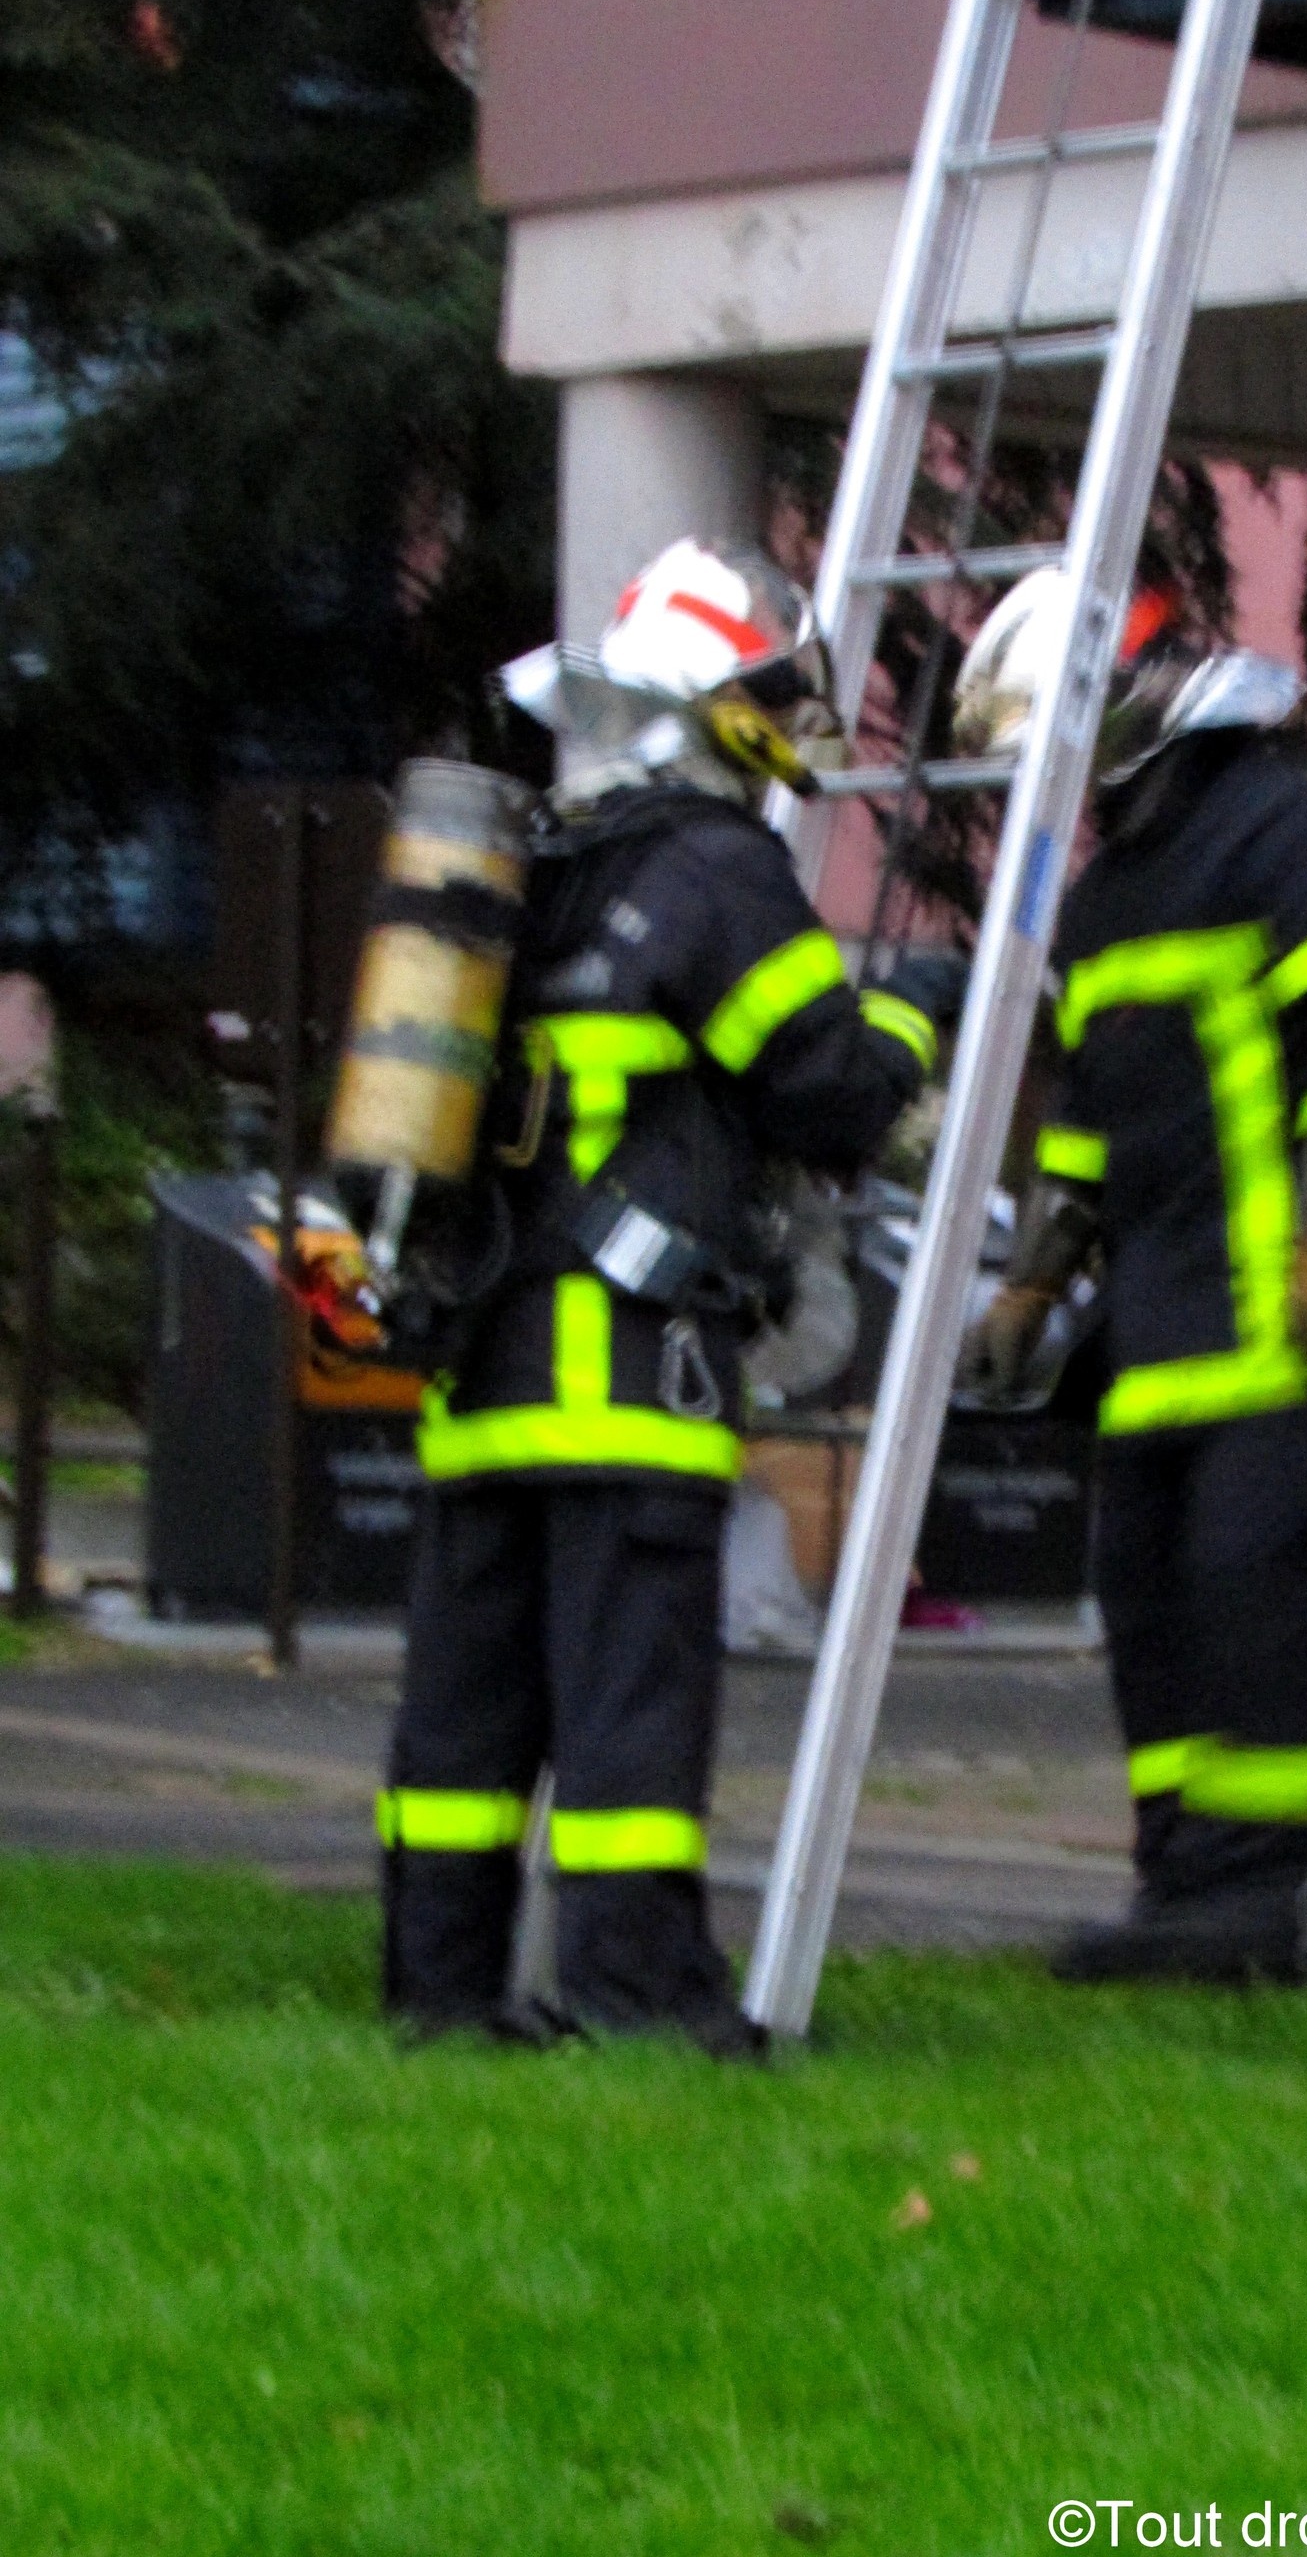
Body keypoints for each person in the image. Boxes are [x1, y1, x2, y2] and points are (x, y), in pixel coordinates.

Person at [379, 540, 948, 2054]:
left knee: (465, 1717)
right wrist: (904, 1021)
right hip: (629, 1376)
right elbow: (823, 1091)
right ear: (721, 699)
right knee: (630, 1709)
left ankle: (438, 1996)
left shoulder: (543, 864)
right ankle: (638, 1999)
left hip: (483, 1375)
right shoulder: (712, 865)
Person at [955, 568, 1307, 1983]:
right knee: (1148, 1604)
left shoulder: (1298, 844)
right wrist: (1035, 1281)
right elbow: (1089, 1113)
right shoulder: (1103, 898)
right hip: (1161, 1334)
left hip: (1299, 1332)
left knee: (1247, 1595)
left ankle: (1248, 1905)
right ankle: (1179, 1887)